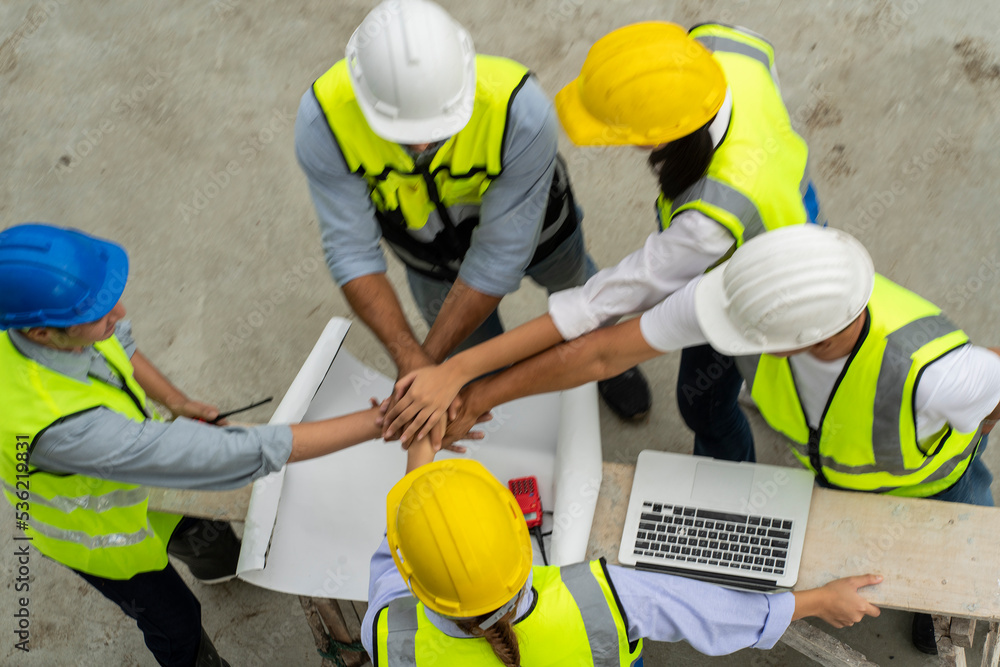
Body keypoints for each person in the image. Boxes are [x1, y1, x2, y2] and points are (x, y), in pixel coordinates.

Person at [382, 224, 1000, 654]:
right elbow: (601, 353)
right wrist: (473, 396)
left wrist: (970, 433)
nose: (719, 336)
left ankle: (940, 612)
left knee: (966, 573)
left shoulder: (941, 375)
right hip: (831, 467)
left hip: (934, 481)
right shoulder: (746, 292)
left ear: (804, 338)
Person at [0, 223, 473, 667]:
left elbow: (119, 343)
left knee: (201, 533)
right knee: (176, 621)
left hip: (135, 479)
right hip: (100, 536)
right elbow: (230, 455)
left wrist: (175, 400)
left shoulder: (46, 318)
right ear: (41, 333)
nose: (119, 313)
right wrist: (384, 420)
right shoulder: (54, 426)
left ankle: (218, 565)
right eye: (99, 314)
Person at [476, 20, 823, 462]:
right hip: (792, 208)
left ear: (657, 137)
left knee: (706, 404)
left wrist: (467, 376)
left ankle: (730, 484)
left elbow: (606, 301)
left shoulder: (709, 220)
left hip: (759, 279)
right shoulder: (726, 44)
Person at [294, 0, 650, 423]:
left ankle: (611, 357)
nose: (423, 147)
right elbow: (352, 252)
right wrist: (417, 363)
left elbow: (498, 259)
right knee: (471, 353)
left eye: (437, 129)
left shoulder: (519, 110)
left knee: (578, 290)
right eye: (404, 135)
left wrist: (426, 362)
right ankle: (504, 405)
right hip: (429, 254)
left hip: (542, 231)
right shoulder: (325, 123)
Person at [360, 447, 882, 666]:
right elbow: (711, 612)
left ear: (414, 580)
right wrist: (817, 601)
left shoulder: (388, 632)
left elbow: (396, 558)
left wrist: (421, 469)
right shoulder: (599, 596)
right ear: (524, 539)